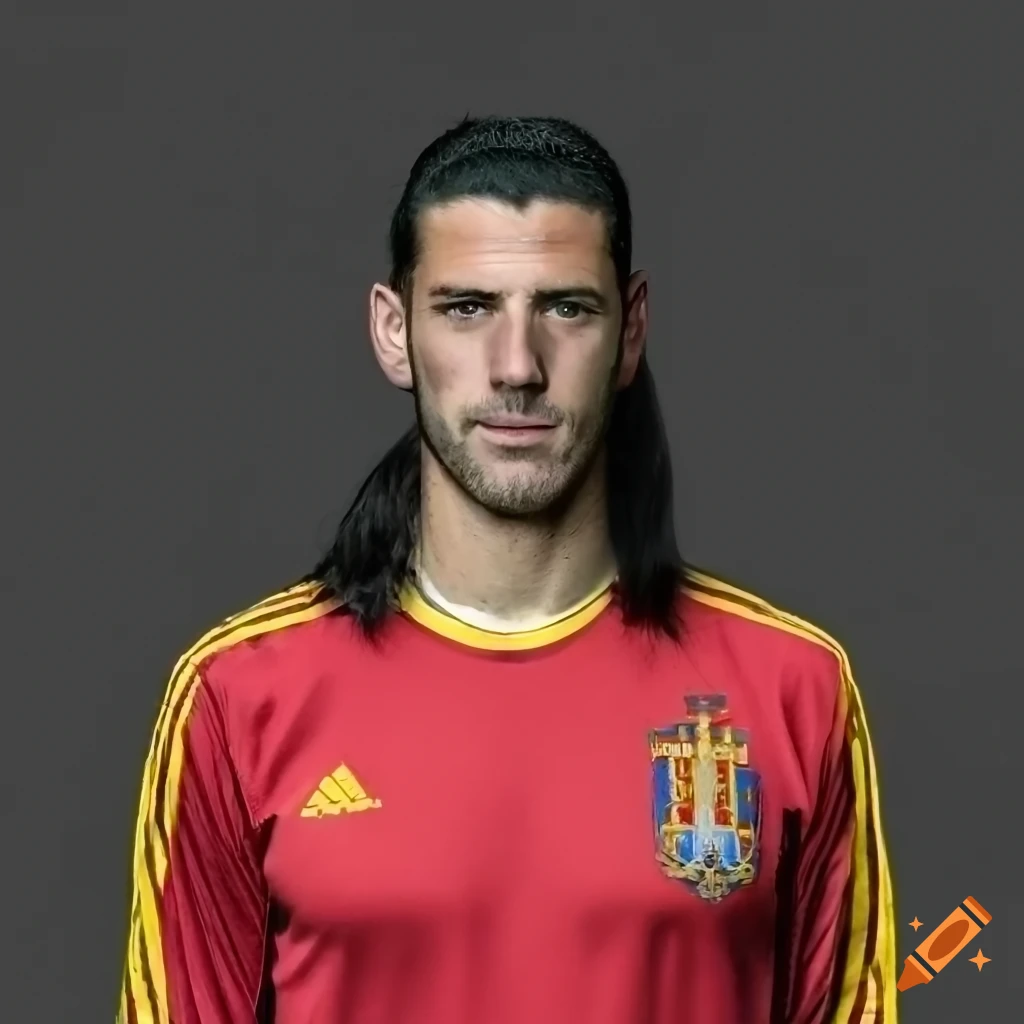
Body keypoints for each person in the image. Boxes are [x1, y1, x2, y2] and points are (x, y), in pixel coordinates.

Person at [117, 115, 896, 1024]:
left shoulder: (792, 688)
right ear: (393, 330)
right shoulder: (237, 698)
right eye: (467, 307)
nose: (517, 367)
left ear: (631, 329)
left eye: (566, 307)